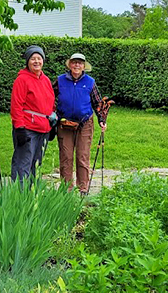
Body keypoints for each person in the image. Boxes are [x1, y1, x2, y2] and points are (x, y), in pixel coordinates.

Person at [54, 52, 107, 195]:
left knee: (82, 155)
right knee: (66, 156)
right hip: (65, 124)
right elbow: (50, 98)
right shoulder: (60, 80)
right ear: (70, 64)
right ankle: (66, 188)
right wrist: (53, 114)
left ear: (84, 66)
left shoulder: (90, 82)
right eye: (74, 62)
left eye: (80, 63)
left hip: (85, 124)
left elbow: (98, 103)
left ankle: (83, 188)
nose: (77, 65)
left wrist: (102, 120)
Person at [10, 45, 56, 181]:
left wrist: (52, 122)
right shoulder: (22, 80)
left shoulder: (46, 80)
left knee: (36, 163)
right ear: (27, 62)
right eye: (33, 59)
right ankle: (19, 195)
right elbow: (16, 105)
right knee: (23, 163)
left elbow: (51, 102)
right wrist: (19, 128)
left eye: (39, 58)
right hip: (28, 129)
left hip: (43, 129)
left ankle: (31, 195)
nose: (36, 61)